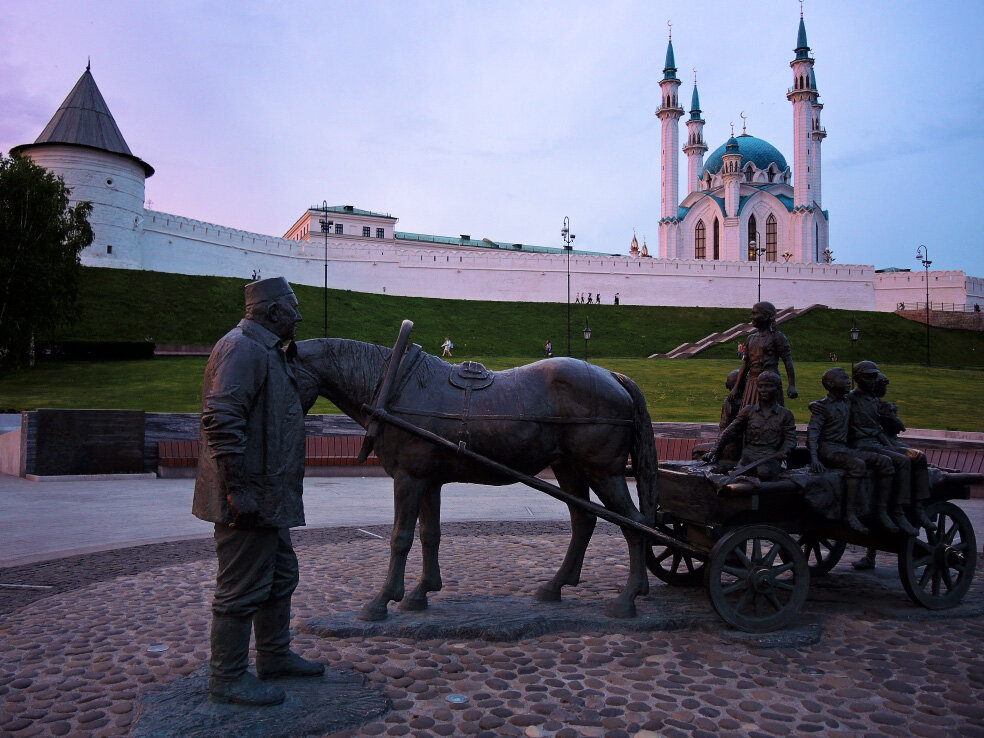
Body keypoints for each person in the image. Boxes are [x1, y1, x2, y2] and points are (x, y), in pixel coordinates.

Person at [193, 276, 323, 706]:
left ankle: (274, 656)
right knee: (241, 587)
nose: (299, 316)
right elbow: (223, 419)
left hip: (269, 497)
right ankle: (227, 678)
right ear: (272, 312)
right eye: (293, 308)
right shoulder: (243, 348)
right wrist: (238, 491)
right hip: (247, 498)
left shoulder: (269, 351)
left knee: (280, 576)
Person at [848, 361, 926, 535]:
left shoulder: (874, 400)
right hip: (861, 445)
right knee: (903, 460)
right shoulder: (850, 400)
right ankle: (894, 511)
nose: (872, 381)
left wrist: (892, 447)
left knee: (918, 456)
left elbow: (878, 430)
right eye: (868, 377)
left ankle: (918, 507)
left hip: (875, 443)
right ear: (857, 378)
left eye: (874, 376)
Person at [807, 367, 888, 534]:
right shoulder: (822, 407)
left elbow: (868, 394)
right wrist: (814, 458)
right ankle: (850, 513)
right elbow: (812, 433)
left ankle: (880, 509)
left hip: (843, 449)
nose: (847, 381)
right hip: (828, 450)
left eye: (847, 378)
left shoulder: (848, 401)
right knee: (857, 465)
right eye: (843, 379)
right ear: (830, 384)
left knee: (883, 461)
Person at [705, 371, 796, 483]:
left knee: (763, 473)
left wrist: (784, 450)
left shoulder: (785, 414)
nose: (763, 390)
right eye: (760, 386)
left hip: (769, 459)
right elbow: (729, 431)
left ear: (777, 388)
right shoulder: (748, 411)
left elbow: (791, 439)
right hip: (747, 460)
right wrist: (714, 450)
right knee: (733, 479)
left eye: (768, 386)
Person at [729, 302, 797, 411]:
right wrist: (736, 387)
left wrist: (792, 385)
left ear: (766, 316)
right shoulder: (751, 338)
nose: (752, 317)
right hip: (752, 383)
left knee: (772, 415)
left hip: (770, 384)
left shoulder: (777, 337)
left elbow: (788, 361)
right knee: (748, 415)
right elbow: (745, 365)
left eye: (755, 314)